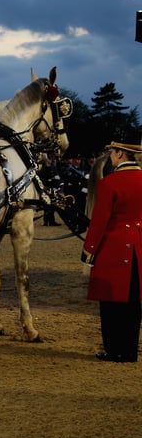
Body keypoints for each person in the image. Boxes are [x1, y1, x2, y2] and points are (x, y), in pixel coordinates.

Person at [81, 140, 142, 363]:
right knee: (134, 303)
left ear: (119, 154)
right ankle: (130, 350)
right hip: (139, 247)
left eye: (112, 153)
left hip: (114, 248)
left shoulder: (109, 183)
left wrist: (88, 254)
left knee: (111, 303)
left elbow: (98, 223)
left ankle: (114, 349)